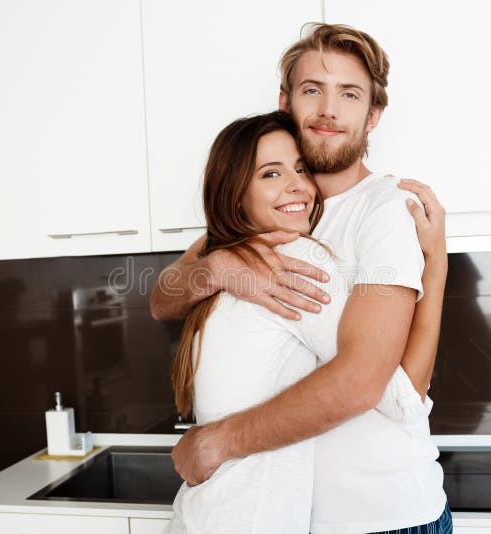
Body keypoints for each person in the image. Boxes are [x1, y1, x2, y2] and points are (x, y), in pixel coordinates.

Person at [153, 23, 452, 534]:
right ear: (286, 102)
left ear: (373, 115)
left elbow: (373, 384)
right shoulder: (280, 207)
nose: (329, 109)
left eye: (349, 94)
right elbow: (163, 298)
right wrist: (219, 269)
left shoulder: (383, 210)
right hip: (297, 516)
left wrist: (437, 263)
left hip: (381, 516)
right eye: (313, 89)